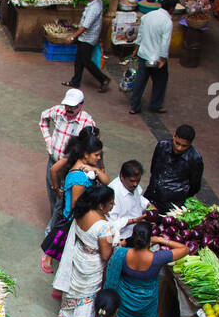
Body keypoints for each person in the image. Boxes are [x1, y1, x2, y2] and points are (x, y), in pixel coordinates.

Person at [104, 224, 187, 317]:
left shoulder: (123, 254)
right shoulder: (157, 258)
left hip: (124, 301)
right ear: (149, 239)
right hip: (145, 306)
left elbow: (112, 273)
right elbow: (184, 249)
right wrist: (161, 240)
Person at [43, 129, 108, 272]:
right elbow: (75, 204)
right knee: (60, 238)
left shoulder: (89, 167)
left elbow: (106, 180)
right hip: (72, 215)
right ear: (86, 154)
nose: (99, 158)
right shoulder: (78, 177)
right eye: (96, 155)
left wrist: (96, 171)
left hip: (75, 212)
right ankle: (49, 258)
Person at [56, 184, 117, 317]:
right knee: (87, 292)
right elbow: (106, 255)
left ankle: (66, 316)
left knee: (75, 288)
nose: (113, 205)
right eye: (111, 203)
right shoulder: (104, 227)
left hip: (78, 254)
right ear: (101, 206)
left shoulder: (82, 211)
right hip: (92, 263)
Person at [39, 88, 97, 230]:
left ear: (81, 105)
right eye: (68, 106)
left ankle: (53, 228)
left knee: (63, 199)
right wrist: (48, 140)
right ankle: (55, 219)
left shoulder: (87, 122)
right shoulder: (58, 111)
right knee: (53, 192)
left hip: (69, 165)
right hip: (53, 160)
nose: (69, 110)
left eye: (73, 107)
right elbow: (43, 118)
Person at [130, 0, 175, 114]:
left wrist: (135, 50)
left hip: (143, 54)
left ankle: (134, 106)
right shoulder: (167, 22)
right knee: (160, 81)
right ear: (171, 8)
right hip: (155, 59)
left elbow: (140, 35)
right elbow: (165, 43)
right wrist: (163, 59)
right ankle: (155, 105)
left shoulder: (148, 16)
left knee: (140, 80)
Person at [146, 124, 203, 214]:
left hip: (174, 205)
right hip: (152, 195)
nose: (179, 148)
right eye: (177, 143)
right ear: (174, 136)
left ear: (190, 144)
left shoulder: (195, 158)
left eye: (184, 146)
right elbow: (153, 169)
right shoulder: (162, 146)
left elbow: (195, 185)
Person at [67, 0, 109, 92]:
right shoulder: (98, 2)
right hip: (86, 37)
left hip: (88, 38)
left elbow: (85, 26)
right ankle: (75, 81)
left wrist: (72, 37)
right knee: (79, 60)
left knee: (85, 61)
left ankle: (103, 79)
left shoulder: (94, 8)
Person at [107, 160, 149, 241]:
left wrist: (148, 205)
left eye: (138, 180)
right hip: (122, 237)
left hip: (136, 230)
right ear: (122, 177)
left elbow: (138, 198)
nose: (135, 184)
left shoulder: (131, 186)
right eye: (132, 181)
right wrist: (133, 221)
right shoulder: (113, 194)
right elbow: (111, 224)